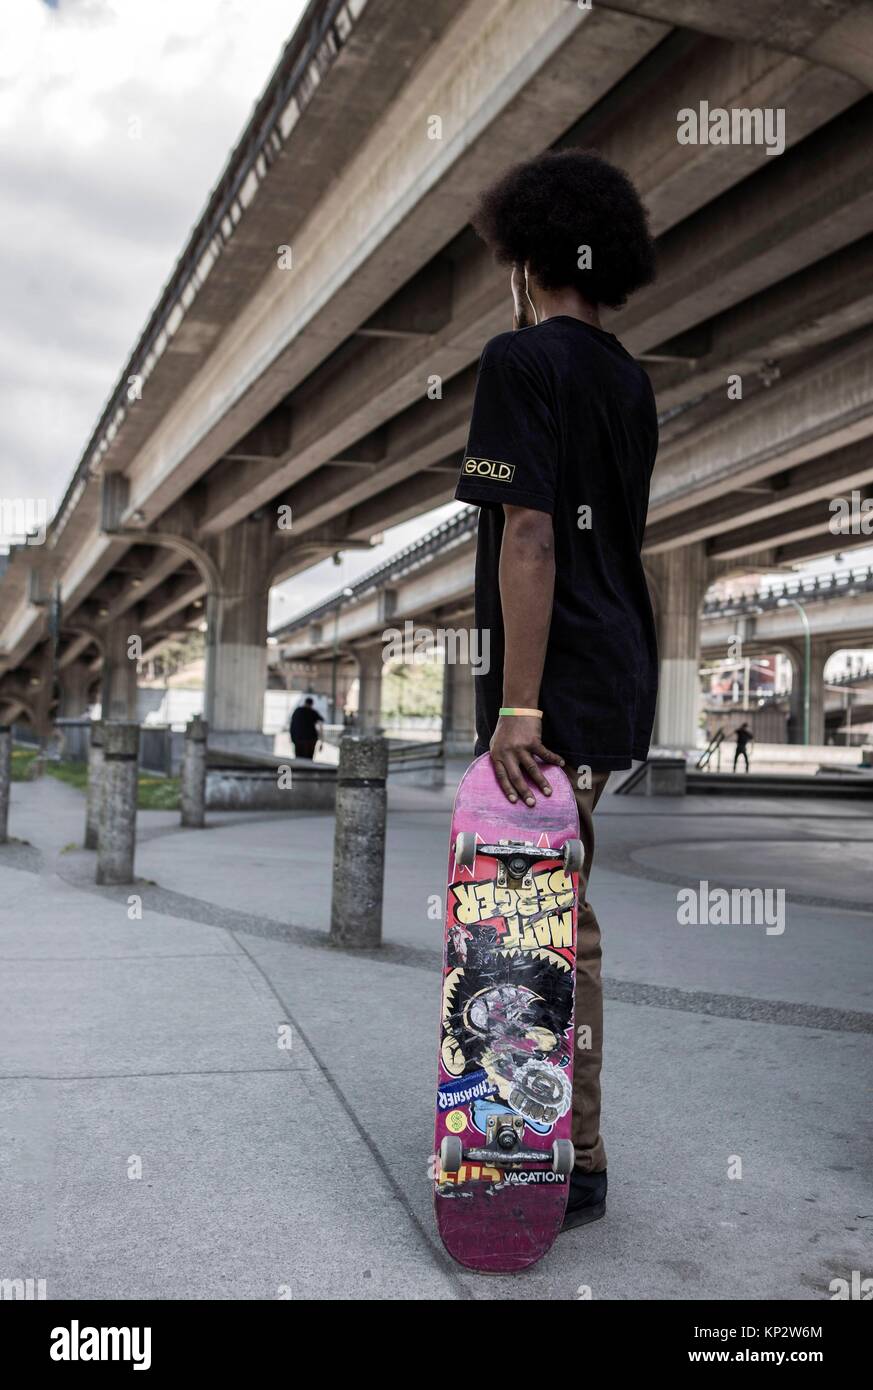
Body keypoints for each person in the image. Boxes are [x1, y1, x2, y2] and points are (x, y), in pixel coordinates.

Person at [454, 149, 658, 1232]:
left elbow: (528, 531)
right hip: (615, 668)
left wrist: (518, 706)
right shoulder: (628, 377)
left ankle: (571, 1157)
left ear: (525, 257)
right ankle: (556, 1139)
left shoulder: (518, 360)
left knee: (550, 921)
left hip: (557, 687)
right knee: (551, 904)